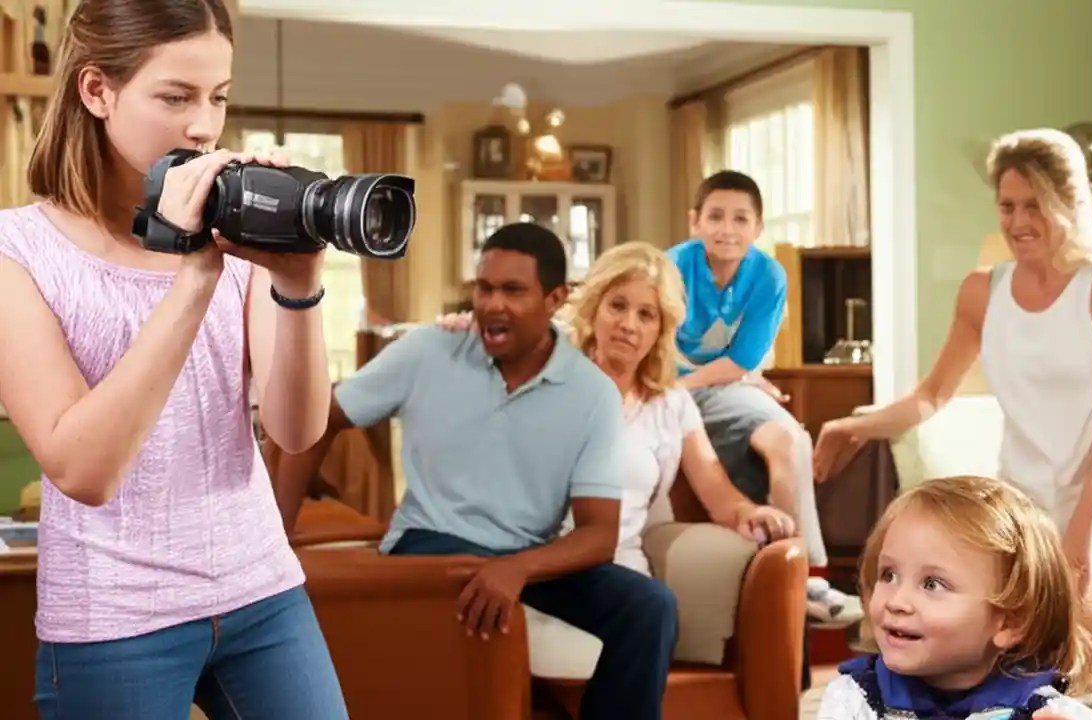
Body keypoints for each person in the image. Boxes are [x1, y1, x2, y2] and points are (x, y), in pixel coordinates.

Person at [0, 1, 346, 718]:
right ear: (97, 91)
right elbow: (83, 471)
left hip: (261, 592)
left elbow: (296, 430)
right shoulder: (19, 252)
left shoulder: (240, 230)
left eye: (218, 97)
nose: (203, 126)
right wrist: (192, 277)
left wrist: (297, 281)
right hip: (115, 617)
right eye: (176, 97)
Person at [813, 128, 1092, 720]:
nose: (1018, 221)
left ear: (1069, 202)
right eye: (1007, 206)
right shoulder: (982, 291)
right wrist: (855, 425)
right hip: (1023, 494)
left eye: (1034, 205)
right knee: (1016, 630)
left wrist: (1080, 528)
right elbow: (931, 396)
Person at [274, 223, 678, 720]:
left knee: (649, 607)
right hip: (429, 544)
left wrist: (518, 568)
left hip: (523, 557)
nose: (492, 305)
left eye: (513, 290)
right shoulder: (429, 350)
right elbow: (316, 422)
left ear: (555, 299)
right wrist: (277, 537)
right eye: (484, 289)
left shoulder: (592, 394)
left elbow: (599, 535)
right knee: (476, 591)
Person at [437, 241, 799, 575]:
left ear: (661, 330)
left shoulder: (672, 405)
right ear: (594, 310)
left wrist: (751, 513)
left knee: (651, 608)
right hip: (530, 567)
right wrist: (463, 338)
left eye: (646, 315)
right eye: (617, 306)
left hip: (619, 574)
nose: (628, 325)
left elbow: (721, 499)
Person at [816, 476, 1092, 720]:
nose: (897, 601)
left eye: (932, 584)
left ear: (1010, 622)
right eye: (889, 575)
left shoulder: (1046, 710)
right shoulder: (855, 699)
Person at [668, 169, 829, 572]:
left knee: (788, 440)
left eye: (740, 219)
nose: (727, 230)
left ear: (757, 228)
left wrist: (731, 379)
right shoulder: (670, 268)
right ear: (695, 222)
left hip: (722, 387)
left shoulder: (769, 276)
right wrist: (675, 388)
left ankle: (797, 568)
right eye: (715, 216)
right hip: (667, 387)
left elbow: (740, 360)